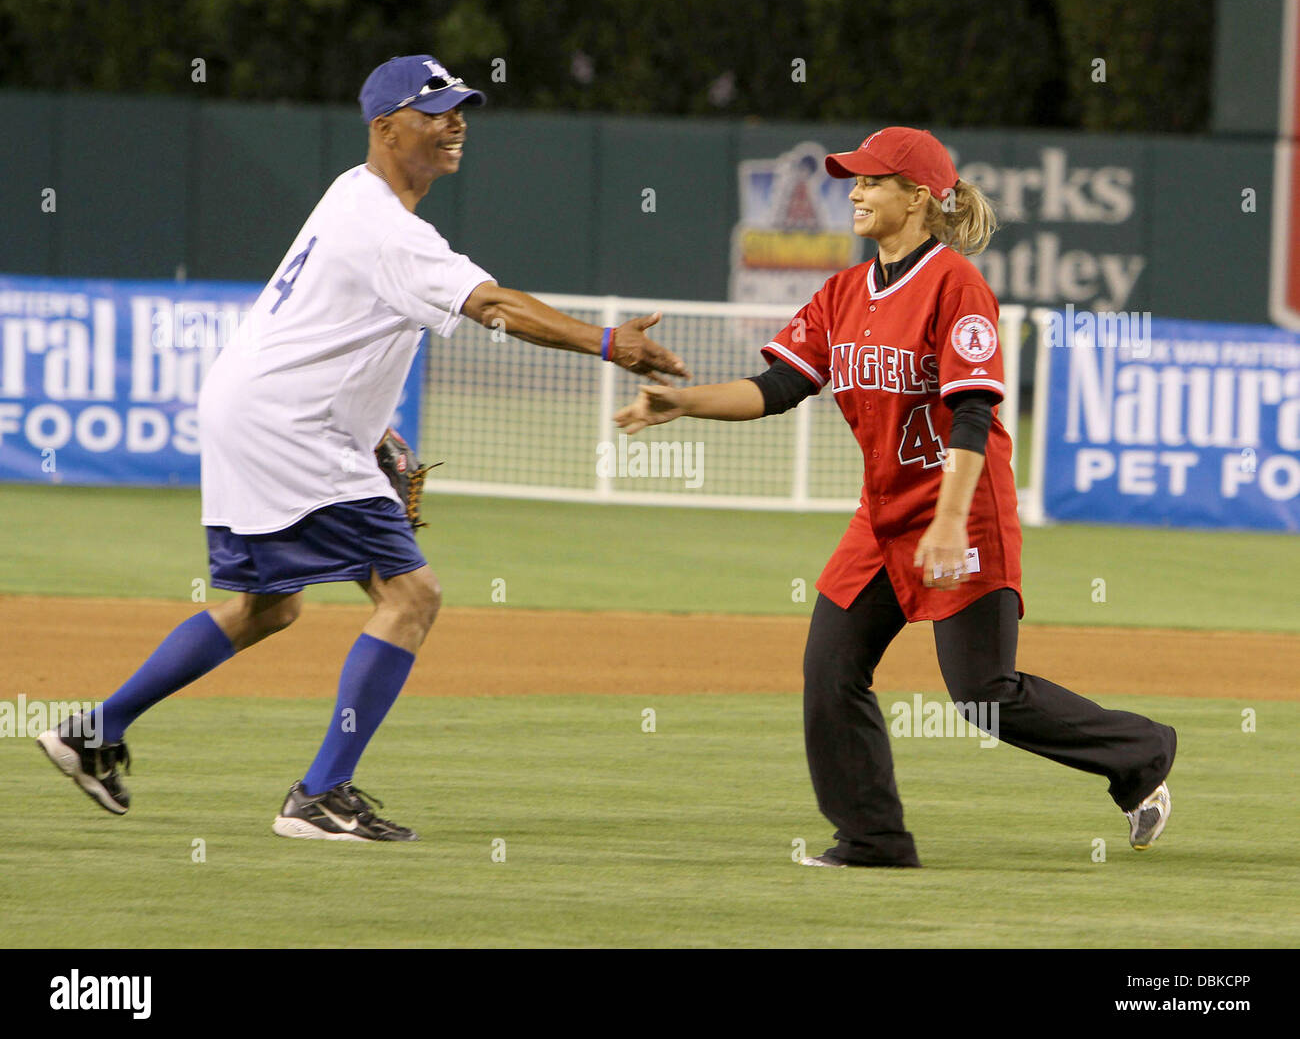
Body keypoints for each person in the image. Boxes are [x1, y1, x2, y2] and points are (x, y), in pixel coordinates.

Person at [37, 54, 688, 842]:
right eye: (435, 109)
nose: (456, 122)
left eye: (459, 107)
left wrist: (368, 423)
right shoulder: (387, 230)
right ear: (385, 128)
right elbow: (495, 306)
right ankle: (320, 795)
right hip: (290, 428)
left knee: (268, 606)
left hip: (257, 411)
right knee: (411, 597)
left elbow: (327, 324)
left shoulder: (353, 192)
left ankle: (93, 730)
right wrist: (612, 343)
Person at [615, 127, 1175, 867]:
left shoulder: (955, 285)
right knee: (829, 670)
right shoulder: (843, 291)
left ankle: (1141, 752)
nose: (854, 190)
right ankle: (873, 839)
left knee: (982, 694)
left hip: (963, 511)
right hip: (882, 520)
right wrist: (685, 403)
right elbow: (780, 387)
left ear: (917, 197)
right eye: (853, 179)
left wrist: (947, 526)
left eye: (872, 179)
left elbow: (974, 410)